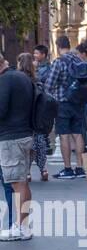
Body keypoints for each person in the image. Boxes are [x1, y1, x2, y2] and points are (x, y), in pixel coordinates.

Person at [0, 51, 36, 241]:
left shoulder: (5, 81)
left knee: (16, 184)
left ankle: (20, 227)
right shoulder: (21, 77)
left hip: (11, 137)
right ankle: (23, 224)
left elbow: (1, 109)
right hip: (24, 134)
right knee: (22, 182)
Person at [46, 34, 87, 179]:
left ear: (57, 46)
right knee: (78, 134)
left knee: (64, 134)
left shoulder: (59, 62)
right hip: (78, 102)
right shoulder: (78, 59)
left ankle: (67, 168)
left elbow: (49, 85)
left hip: (63, 103)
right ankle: (80, 167)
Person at [16, 52, 47, 183]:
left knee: (26, 144)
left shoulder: (17, 79)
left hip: (23, 116)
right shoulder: (37, 80)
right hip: (37, 116)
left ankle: (27, 171)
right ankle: (43, 169)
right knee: (39, 142)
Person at [32, 44, 51, 181]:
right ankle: (43, 169)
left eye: (37, 53)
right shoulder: (39, 68)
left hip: (37, 107)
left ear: (43, 54)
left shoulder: (44, 69)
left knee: (34, 139)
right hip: (41, 109)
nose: (35, 55)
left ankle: (30, 171)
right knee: (39, 139)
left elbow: (43, 85)